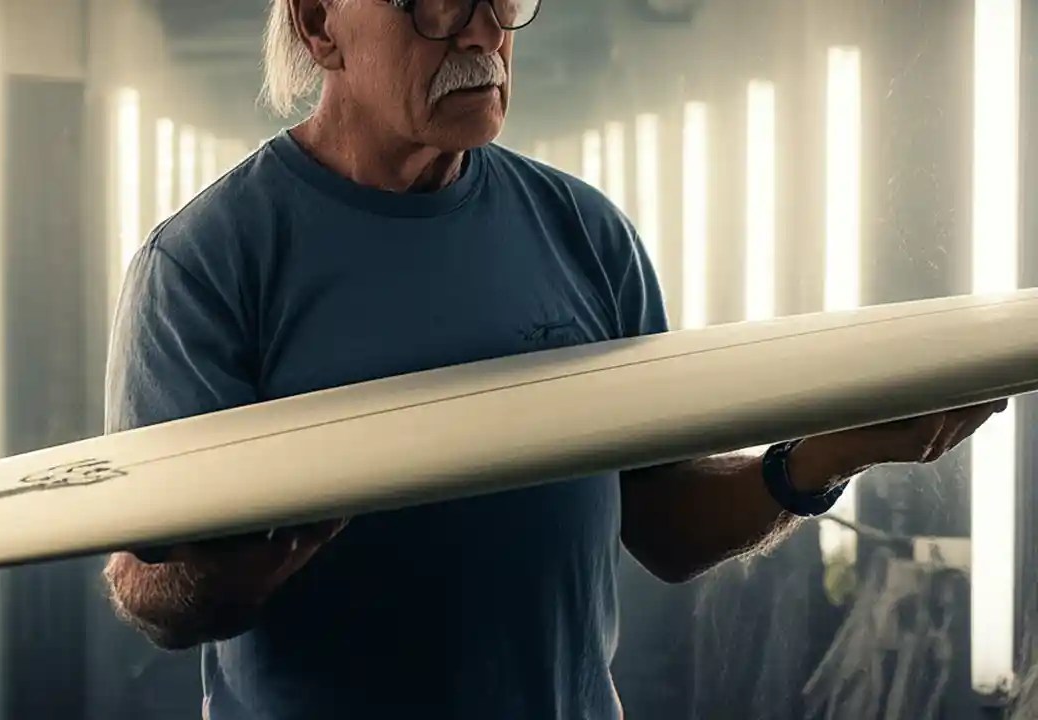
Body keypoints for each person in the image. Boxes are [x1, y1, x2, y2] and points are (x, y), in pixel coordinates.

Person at [101, 1, 1007, 717]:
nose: (486, 32)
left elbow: (660, 525)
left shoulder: (584, 232)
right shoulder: (208, 263)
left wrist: (826, 454)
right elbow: (150, 589)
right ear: (317, 24)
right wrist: (237, 570)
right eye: (438, 5)